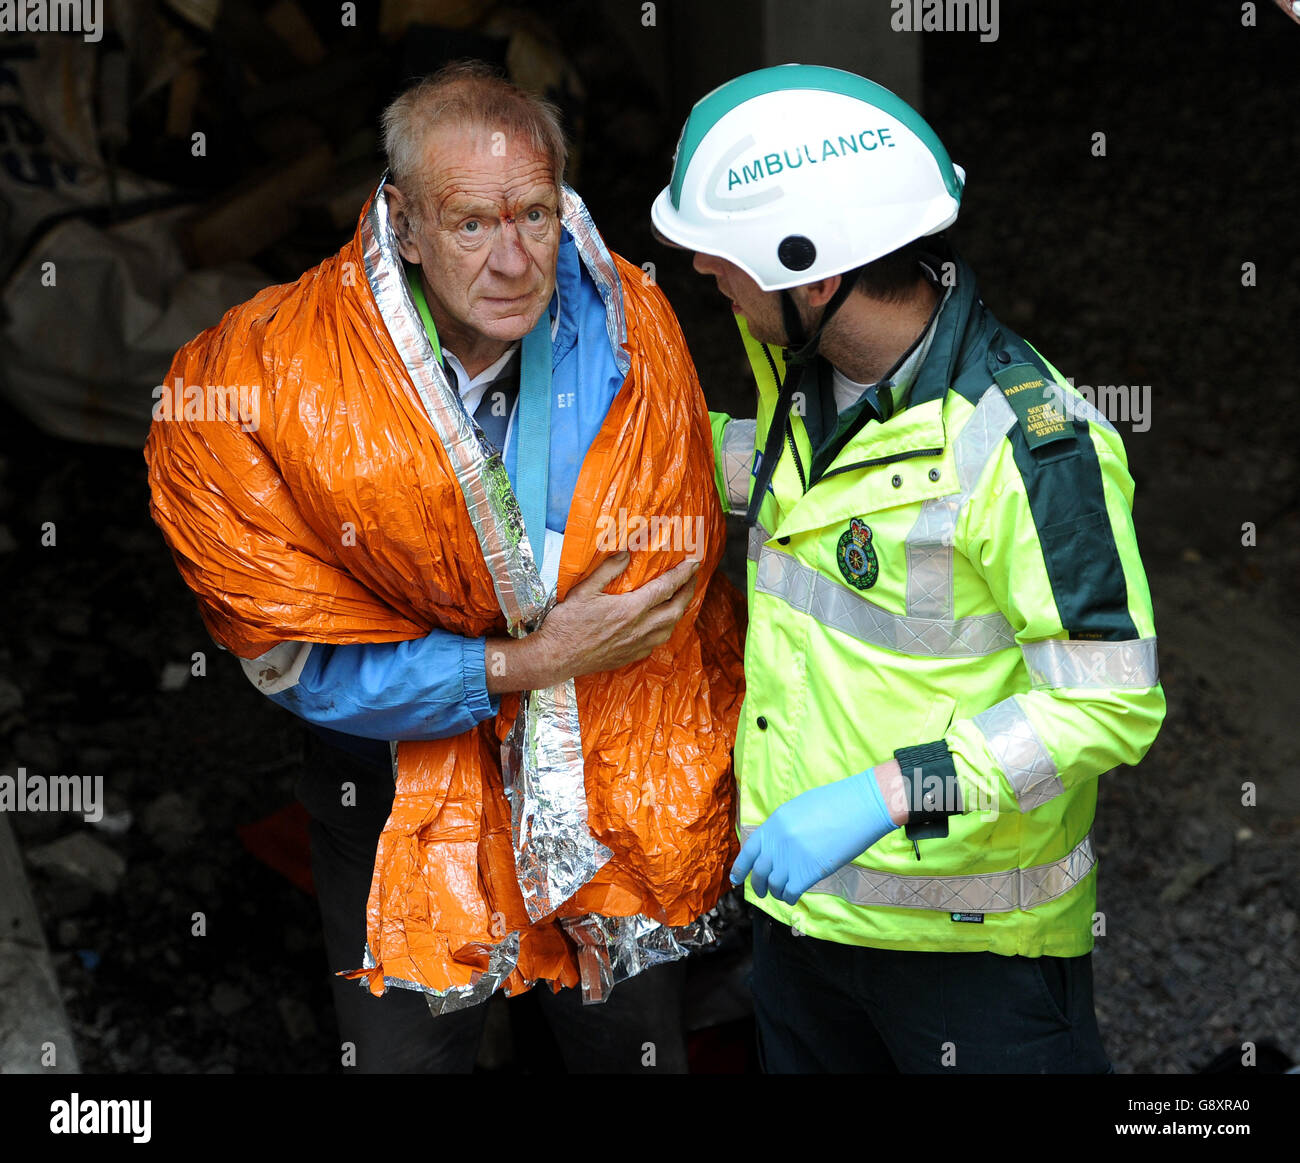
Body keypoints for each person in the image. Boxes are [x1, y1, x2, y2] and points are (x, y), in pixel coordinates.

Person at [145, 62, 743, 1073]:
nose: (513, 259)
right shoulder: (259, 380)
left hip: (604, 780)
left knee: (622, 1041)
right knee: (409, 1055)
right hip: (392, 793)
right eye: (472, 223)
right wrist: (528, 659)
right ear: (405, 225)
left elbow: (666, 484)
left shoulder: (627, 326)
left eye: (536, 216)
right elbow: (296, 660)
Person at [652, 64, 1165, 1073]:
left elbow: (1108, 704)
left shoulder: (1031, 441)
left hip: (973, 962)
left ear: (810, 270)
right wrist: (628, 460)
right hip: (803, 927)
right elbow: (816, 498)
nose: (704, 272)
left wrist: (883, 795)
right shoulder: (808, 371)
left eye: (722, 260)